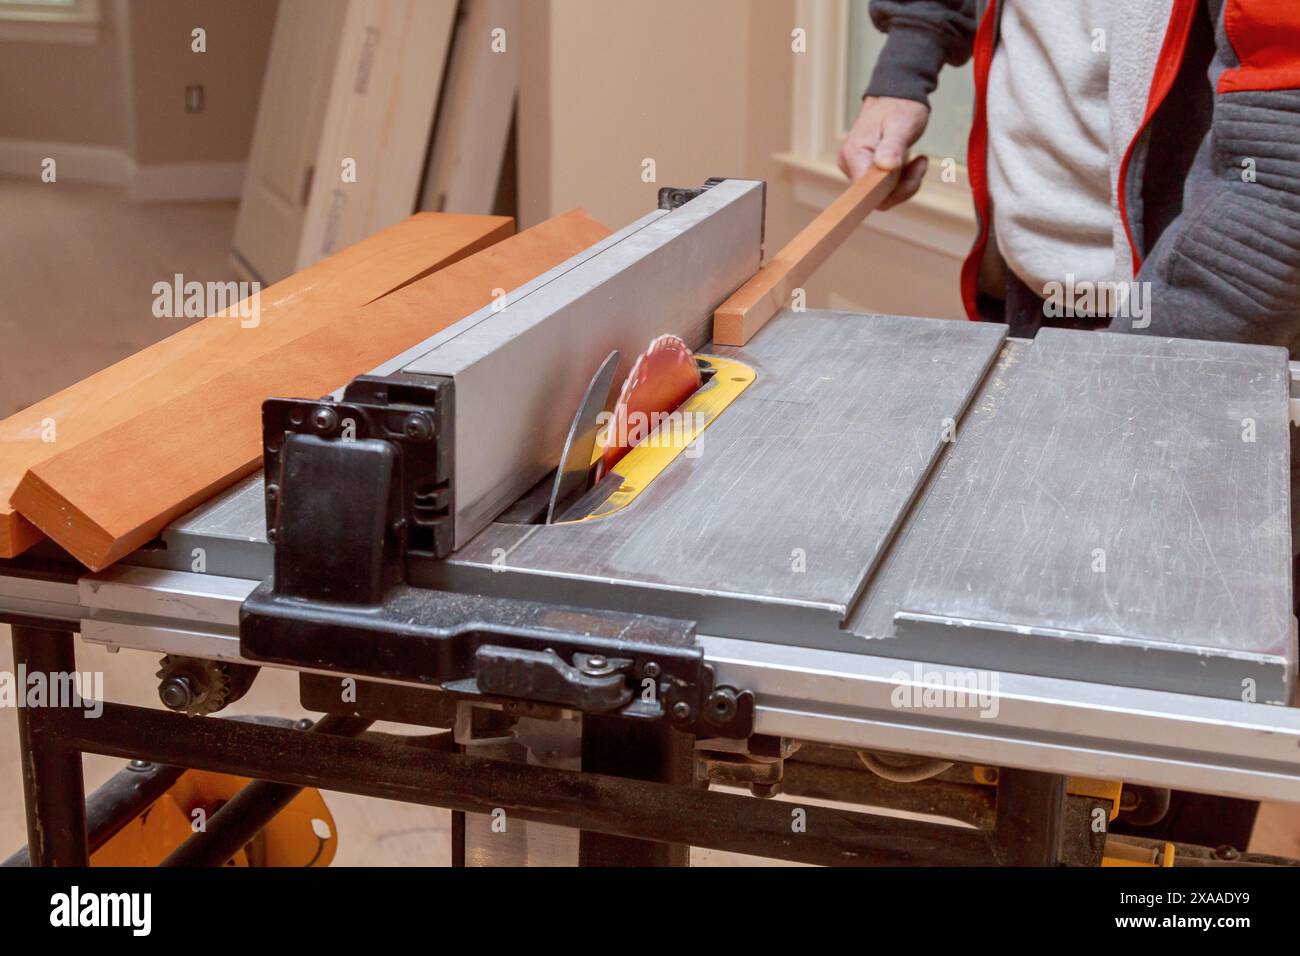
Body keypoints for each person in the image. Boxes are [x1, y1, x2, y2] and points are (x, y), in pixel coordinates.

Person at [840, 0, 1300, 850]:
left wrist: (1111, 396)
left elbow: (1281, 187)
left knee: (1175, 729)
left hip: (1202, 325)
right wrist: (908, 63)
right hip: (1042, 292)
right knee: (1041, 703)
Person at [840, 0, 1300, 346]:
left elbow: (1280, 185)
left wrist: (1133, 378)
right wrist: (904, 68)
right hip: (1024, 275)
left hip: (1180, 311)